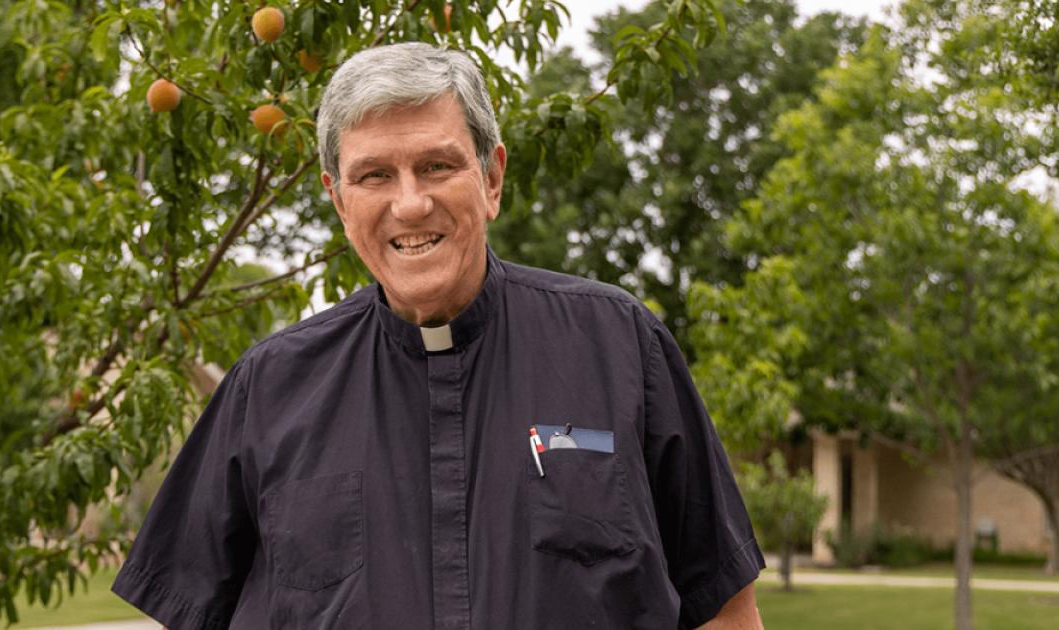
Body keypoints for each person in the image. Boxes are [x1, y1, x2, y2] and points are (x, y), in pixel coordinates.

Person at [112, 42, 766, 629]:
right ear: (339, 202)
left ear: (491, 179)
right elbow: (188, 608)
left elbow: (726, 610)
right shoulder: (269, 387)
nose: (411, 203)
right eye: (374, 176)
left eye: (436, 166)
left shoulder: (620, 347)